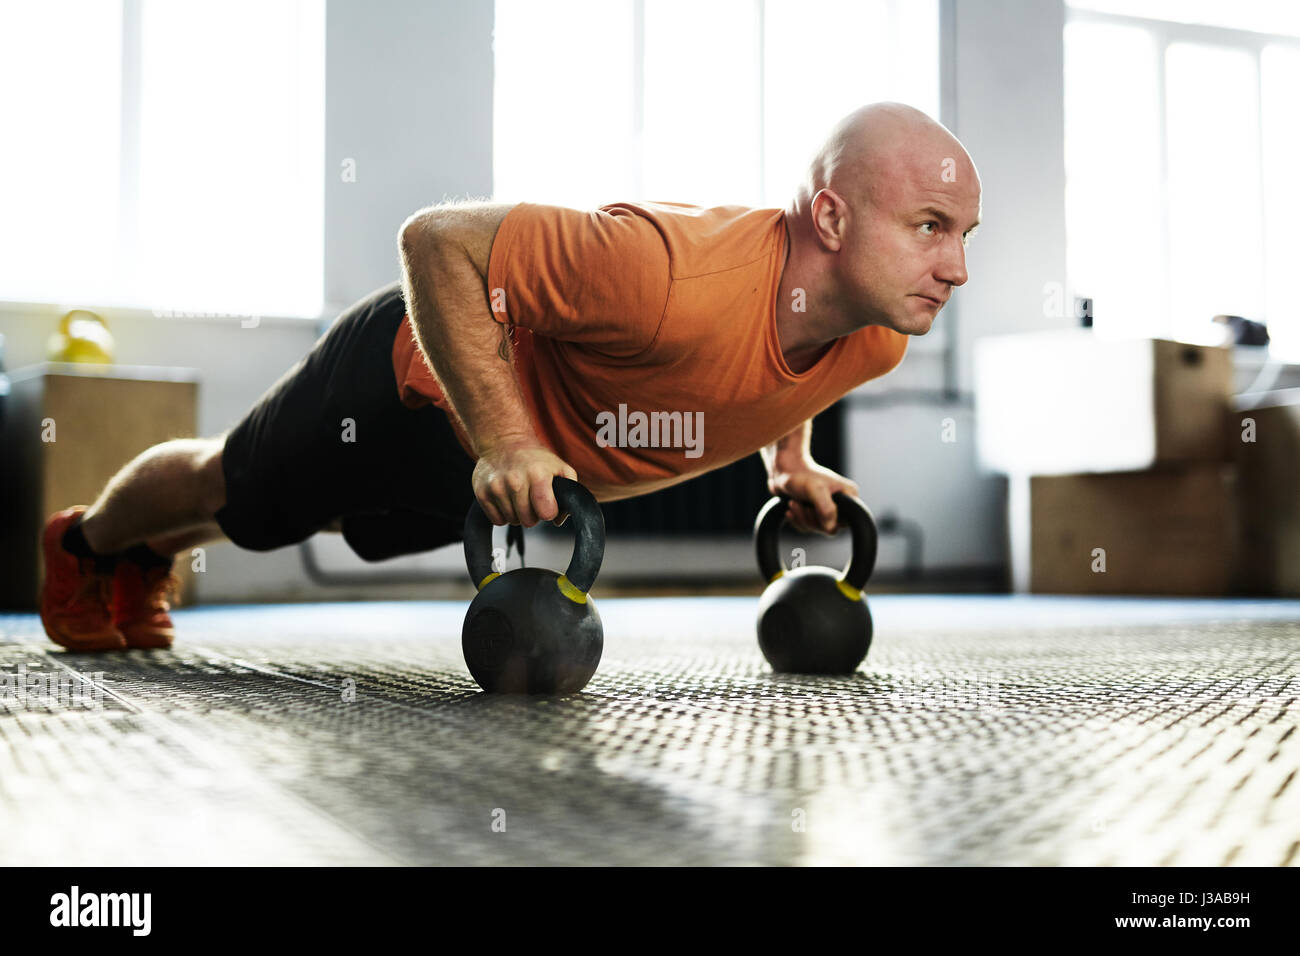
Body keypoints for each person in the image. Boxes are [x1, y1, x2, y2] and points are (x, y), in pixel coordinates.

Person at [39, 101, 981, 651]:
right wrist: (508, 436)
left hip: (490, 467)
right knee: (232, 482)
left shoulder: (879, 331)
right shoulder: (665, 274)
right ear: (830, 217)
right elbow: (435, 242)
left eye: (965, 236)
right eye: (930, 227)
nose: (958, 269)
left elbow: (790, 374)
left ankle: (148, 556)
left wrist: (792, 464)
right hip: (411, 377)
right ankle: (88, 544)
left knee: (287, 518)